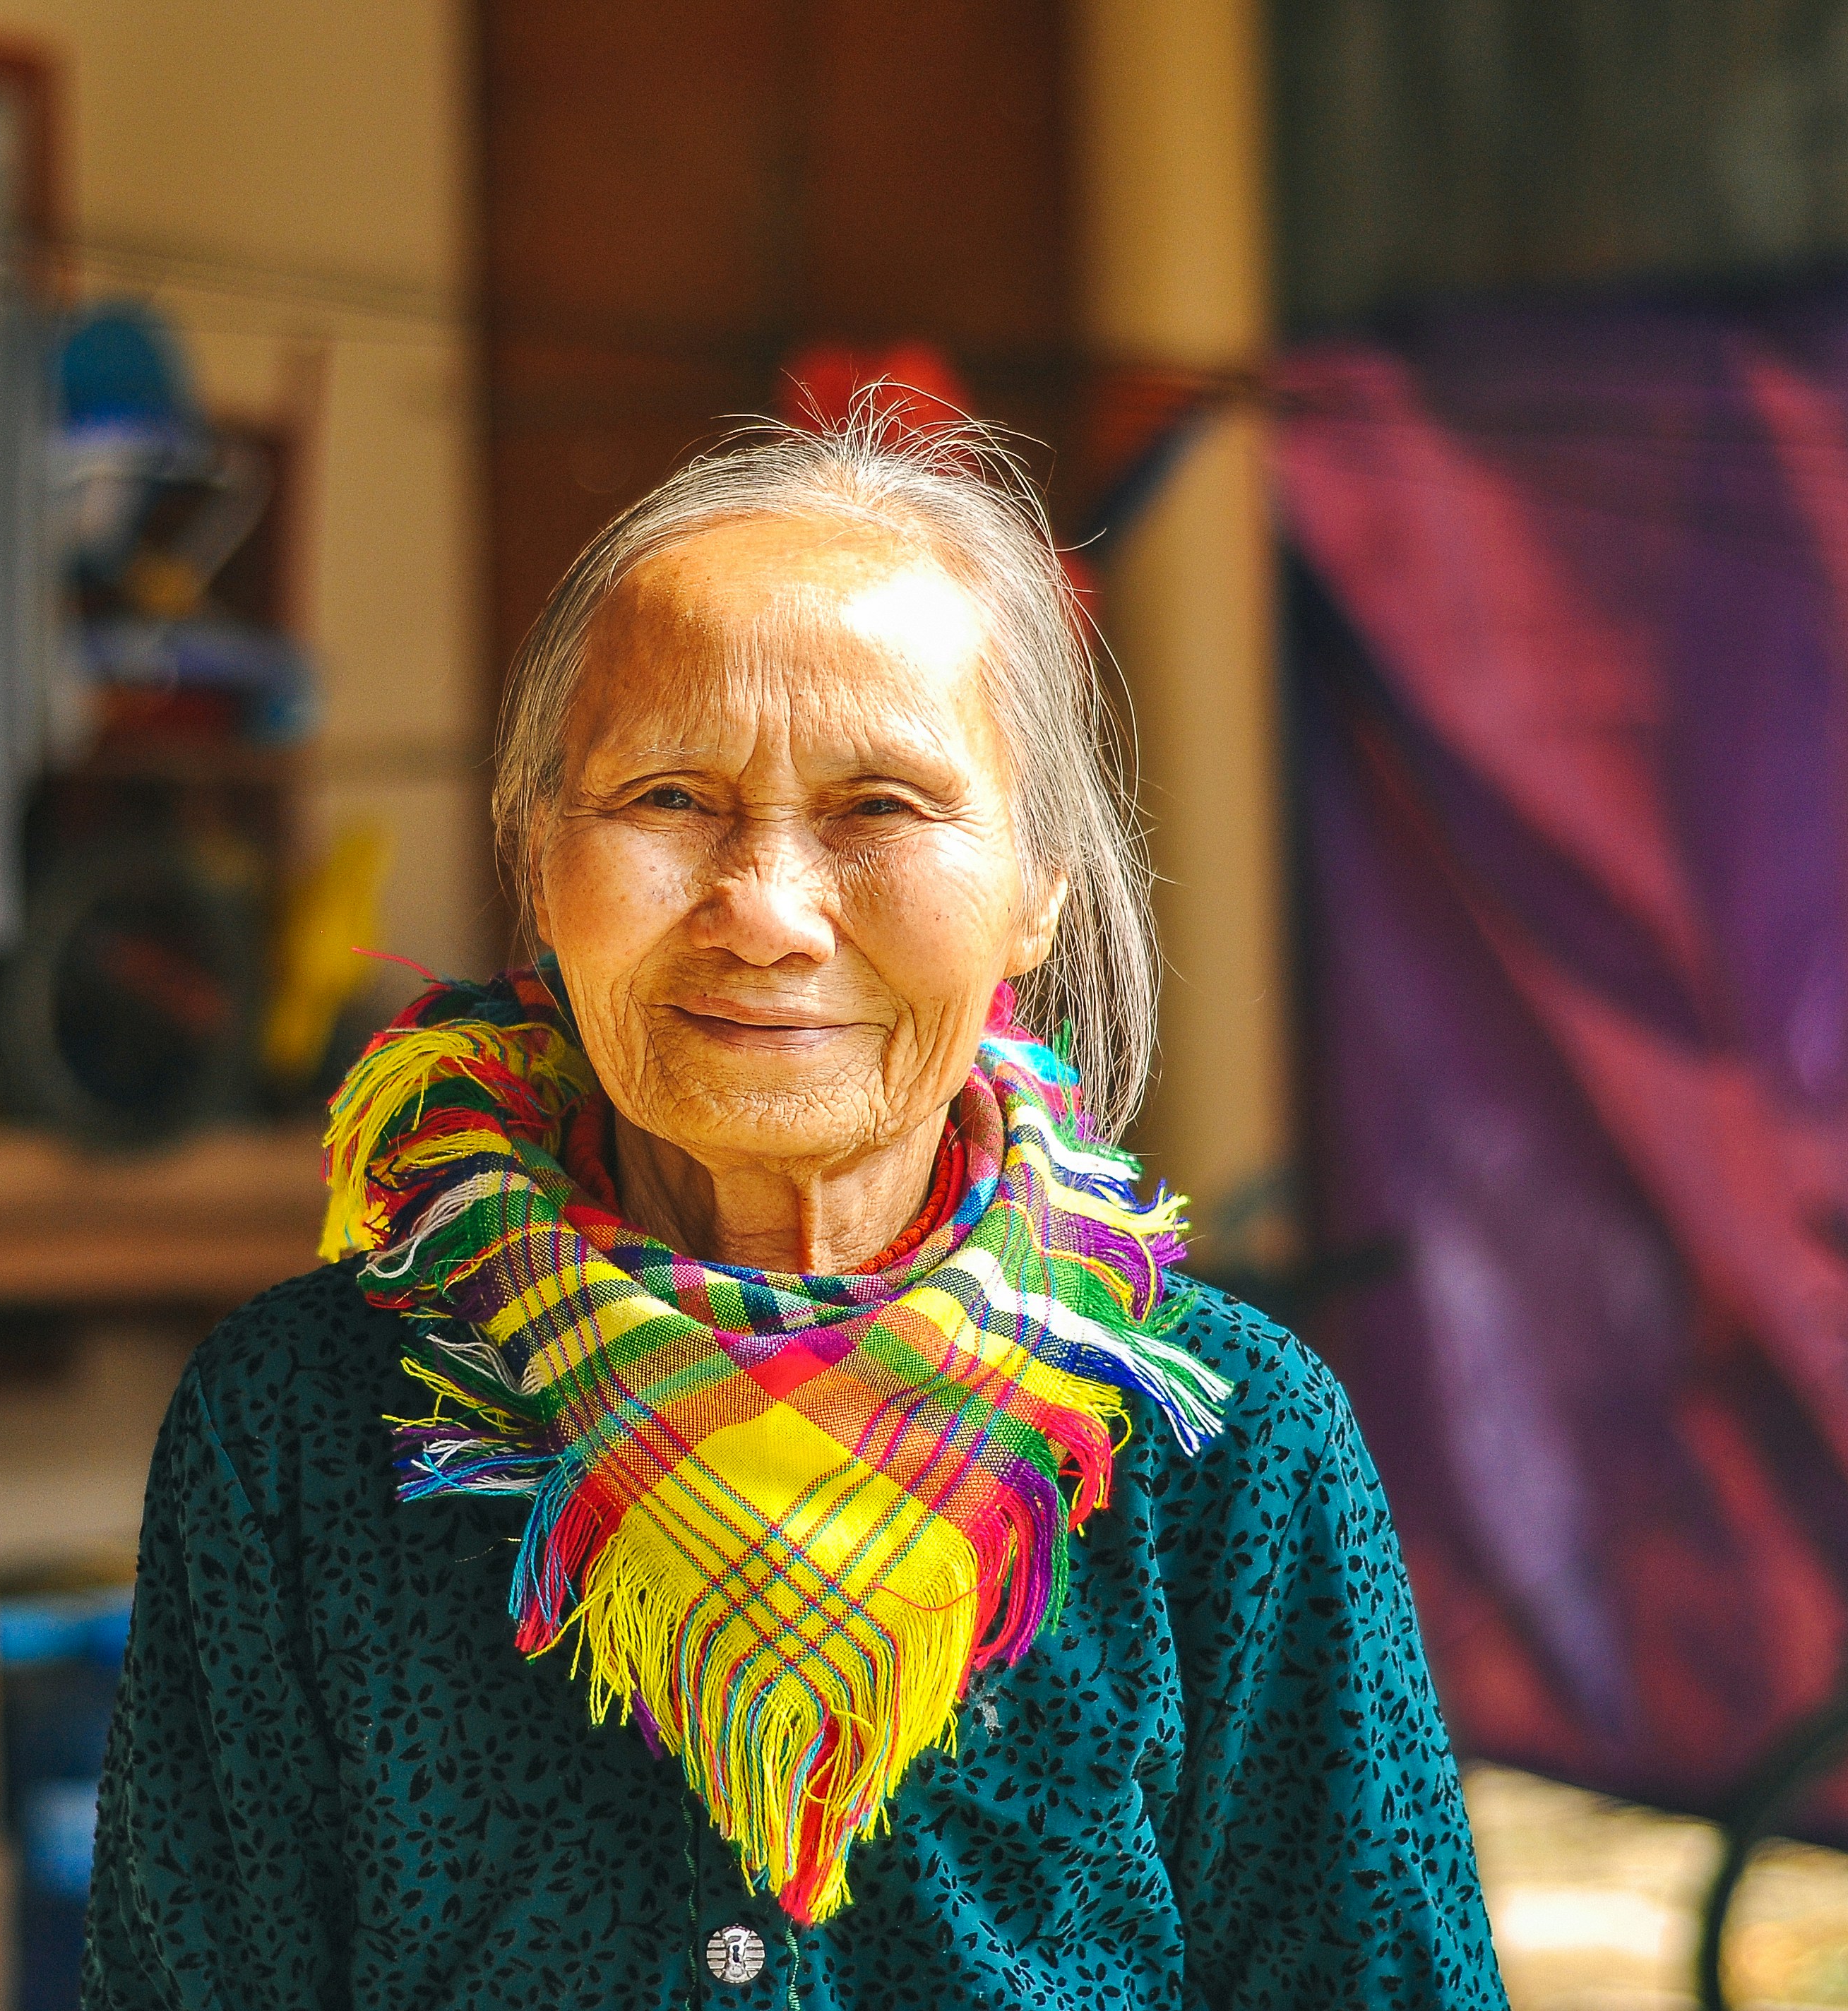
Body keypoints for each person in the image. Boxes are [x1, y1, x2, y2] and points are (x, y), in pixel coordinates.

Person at [82, 412, 1506, 2009]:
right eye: (668, 798)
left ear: (1034, 881)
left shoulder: (1222, 1447)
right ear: (541, 863)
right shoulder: (301, 1427)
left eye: (881, 806)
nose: (762, 912)